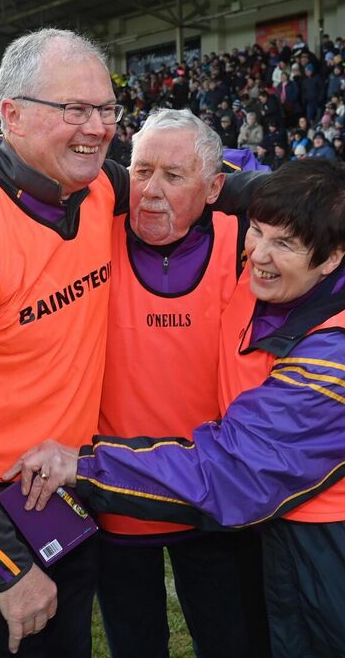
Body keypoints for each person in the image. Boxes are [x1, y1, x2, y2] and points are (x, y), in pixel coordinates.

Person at [0, 28, 262, 657]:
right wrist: (2, 565)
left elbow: (210, 181)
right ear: (11, 114)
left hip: (69, 496)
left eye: (105, 109)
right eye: (74, 109)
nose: (95, 128)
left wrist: (326, 215)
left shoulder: (97, 187)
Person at [8, 159, 345, 658]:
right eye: (256, 230)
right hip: (294, 521)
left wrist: (81, 465)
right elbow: (229, 184)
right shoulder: (328, 261)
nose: (257, 254)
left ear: (333, 256)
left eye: (284, 244)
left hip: (344, 549)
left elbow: (231, 472)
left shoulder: (337, 363)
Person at [93, 108, 267, 658]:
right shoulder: (93, 232)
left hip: (213, 489)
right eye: (142, 172)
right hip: (117, 487)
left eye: (174, 176)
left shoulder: (247, 242)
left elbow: (335, 263)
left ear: (216, 187)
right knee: (134, 641)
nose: (151, 191)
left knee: (230, 638)